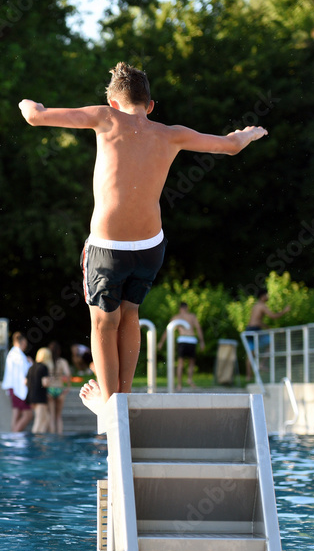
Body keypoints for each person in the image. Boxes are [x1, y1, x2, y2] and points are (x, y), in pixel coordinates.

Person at [19, 63, 268, 414]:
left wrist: (26, 103)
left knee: (104, 321)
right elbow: (230, 146)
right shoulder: (171, 134)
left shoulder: (106, 117)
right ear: (150, 105)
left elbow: (35, 116)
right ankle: (123, 399)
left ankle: (109, 405)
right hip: (150, 247)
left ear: (112, 100)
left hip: (107, 248)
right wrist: (247, 134)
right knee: (130, 314)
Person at [244, 289, 290, 378]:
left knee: (251, 353)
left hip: (249, 329)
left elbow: (256, 321)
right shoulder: (262, 306)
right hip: (255, 330)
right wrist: (284, 311)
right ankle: (262, 364)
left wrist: (266, 327)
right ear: (262, 296)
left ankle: (248, 376)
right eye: (266, 295)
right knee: (271, 343)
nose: (268, 297)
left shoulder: (255, 306)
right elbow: (273, 316)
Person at [158, 301, 204, 388]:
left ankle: (179, 384)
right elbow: (198, 329)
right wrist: (202, 342)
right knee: (191, 362)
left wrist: (161, 342)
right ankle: (189, 379)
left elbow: (167, 331)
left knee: (180, 362)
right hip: (191, 340)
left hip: (182, 340)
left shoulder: (176, 317)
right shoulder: (192, 316)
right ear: (187, 308)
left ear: (180, 308)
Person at [2, 332, 33, 432]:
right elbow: (24, 373)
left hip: (13, 388)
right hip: (18, 389)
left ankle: (13, 436)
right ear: (21, 342)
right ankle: (15, 434)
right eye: (25, 343)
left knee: (16, 413)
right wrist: (31, 363)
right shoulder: (18, 355)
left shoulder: (13, 354)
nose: (26, 346)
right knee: (28, 414)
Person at [27, 347, 55, 434]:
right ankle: (35, 442)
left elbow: (25, 382)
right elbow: (45, 383)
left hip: (31, 396)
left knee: (46, 419)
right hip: (40, 396)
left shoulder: (31, 367)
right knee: (38, 420)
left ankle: (40, 438)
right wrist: (51, 380)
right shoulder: (44, 367)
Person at [47, 341, 72, 435]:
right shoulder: (62, 362)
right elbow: (68, 374)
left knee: (51, 416)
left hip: (50, 389)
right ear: (59, 351)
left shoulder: (47, 362)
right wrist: (68, 387)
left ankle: (53, 436)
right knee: (58, 416)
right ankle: (60, 435)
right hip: (60, 389)